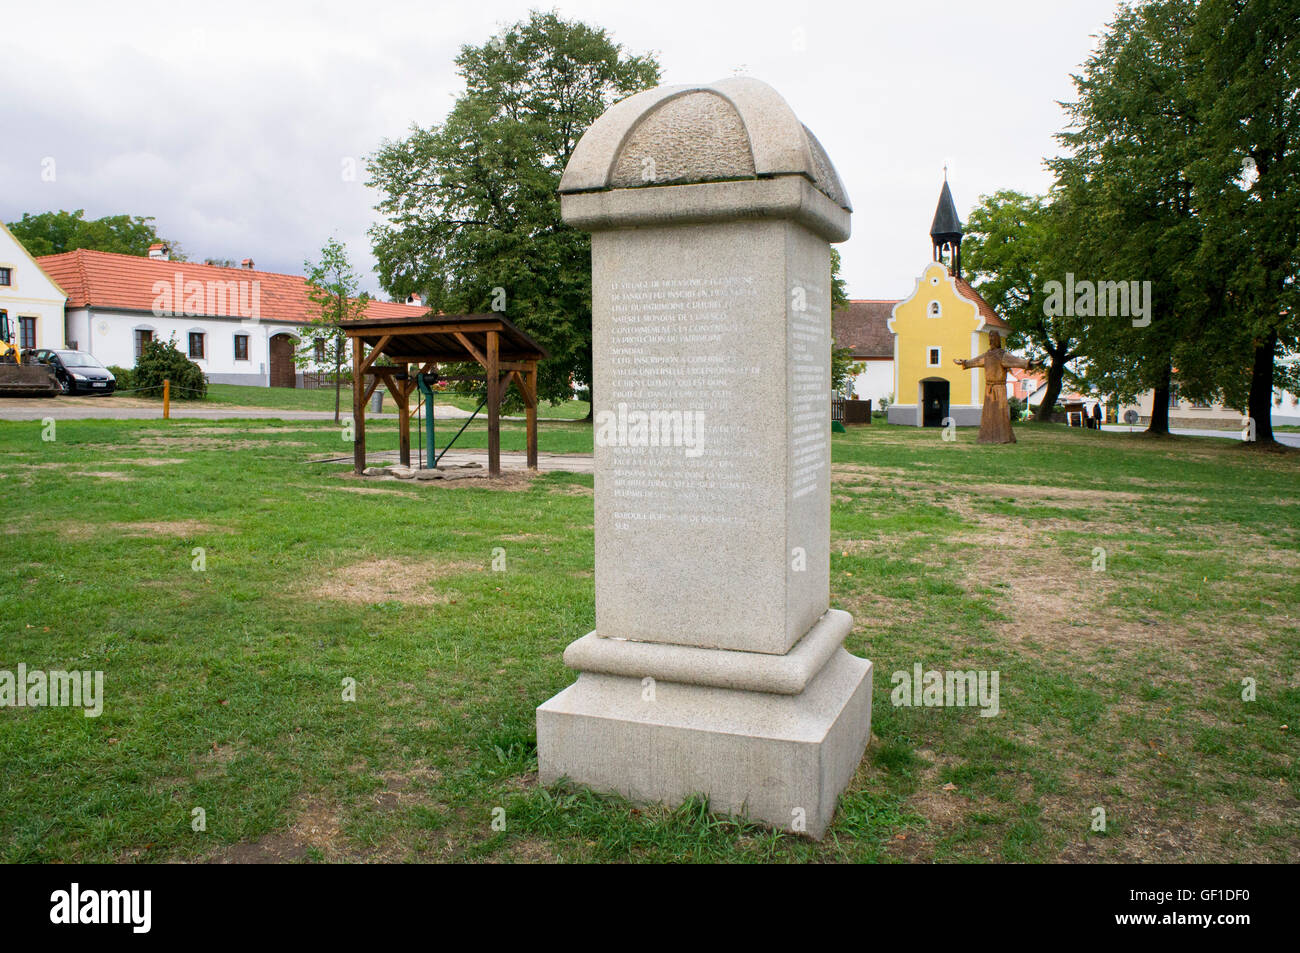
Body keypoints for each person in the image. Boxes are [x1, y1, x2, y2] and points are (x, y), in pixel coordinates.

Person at [954, 331, 1036, 444]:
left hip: (999, 388)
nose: (991, 339)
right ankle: (986, 437)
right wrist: (965, 362)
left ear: (997, 339)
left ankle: (1003, 437)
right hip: (989, 389)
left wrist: (1028, 363)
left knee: (1000, 413)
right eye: (990, 337)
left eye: (993, 337)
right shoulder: (987, 355)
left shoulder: (1002, 355)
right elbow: (975, 361)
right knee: (988, 414)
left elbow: (1016, 361)